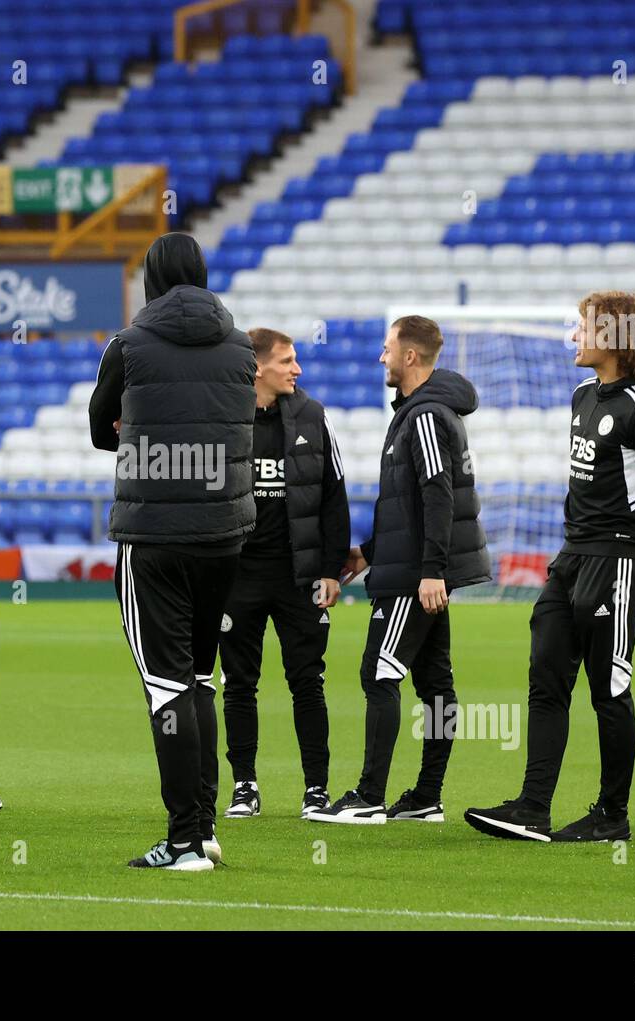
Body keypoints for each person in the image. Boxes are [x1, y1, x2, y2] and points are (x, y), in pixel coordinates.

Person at [466, 291, 635, 842]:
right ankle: (532, 808)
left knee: (608, 687)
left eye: (583, 328)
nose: (573, 337)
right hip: (571, 556)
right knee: (545, 676)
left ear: (612, 337)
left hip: (616, 559)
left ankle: (613, 816)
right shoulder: (582, 397)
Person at [88, 232, 255, 871]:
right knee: (200, 681)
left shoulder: (127, 346)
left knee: (165, 687)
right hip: (224, 538)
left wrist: (138, 432)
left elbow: (101, 432)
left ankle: (184, 839)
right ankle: (205, 827)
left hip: (153, 537)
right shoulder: (240, 346)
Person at [309, 315, 490, 825]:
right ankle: (427, 796)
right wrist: (369, 552)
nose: (381, 357)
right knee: (434, 684)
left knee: (380, 673)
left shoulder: (426, 415)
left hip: (416, 576)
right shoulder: (419, 411)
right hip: (411, 566)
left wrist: (431, 571)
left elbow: (437, 494)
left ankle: (369, 797)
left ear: (410, 356)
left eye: (388, 349)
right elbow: (410, 504)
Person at [218, 327, 349, 822]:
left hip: (300, 577)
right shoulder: (225, 419)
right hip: (237, 577)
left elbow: (334, 494)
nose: (297, 369)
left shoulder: (313, 417)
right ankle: (244, 786)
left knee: (307, 682)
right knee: (238, 684)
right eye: (287, 361)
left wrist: (332, 570)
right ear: (257, 367)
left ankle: (316, 789)